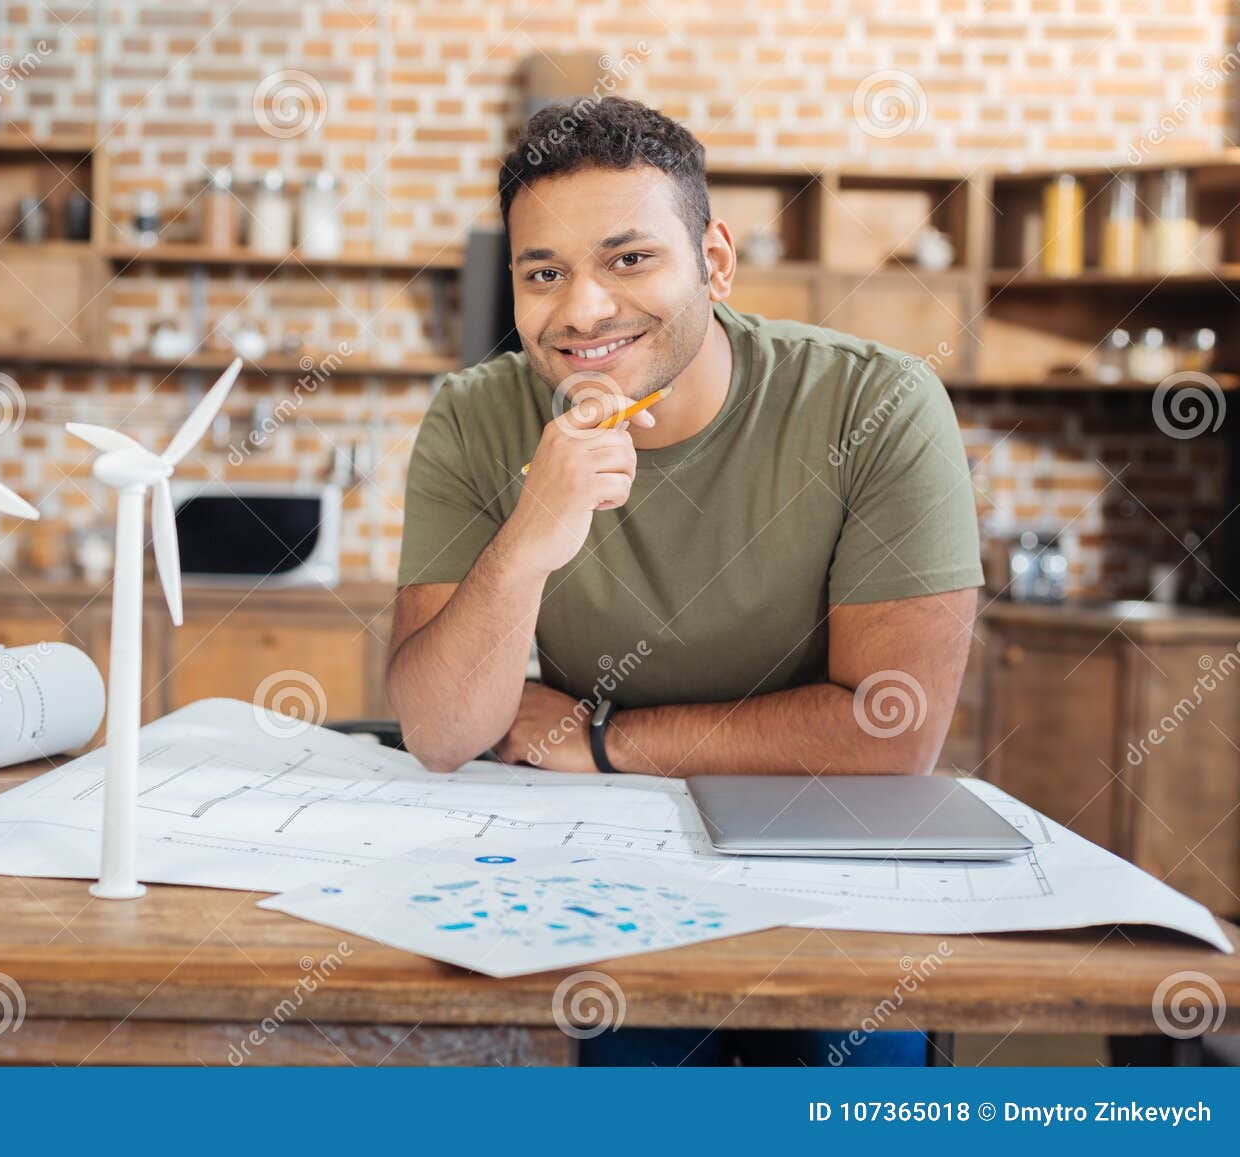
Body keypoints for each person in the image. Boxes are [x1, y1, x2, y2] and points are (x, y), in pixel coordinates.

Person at [385, 97, 984, 1067]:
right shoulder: (474, 415)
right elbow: (444, 728)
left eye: (628, 259)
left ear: (713, 259)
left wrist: (601, 737)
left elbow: (888, 726)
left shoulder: (876, 401)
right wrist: (533, 534)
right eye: (544, 274)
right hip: (598, 869)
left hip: (820, 853)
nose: (581, 308)